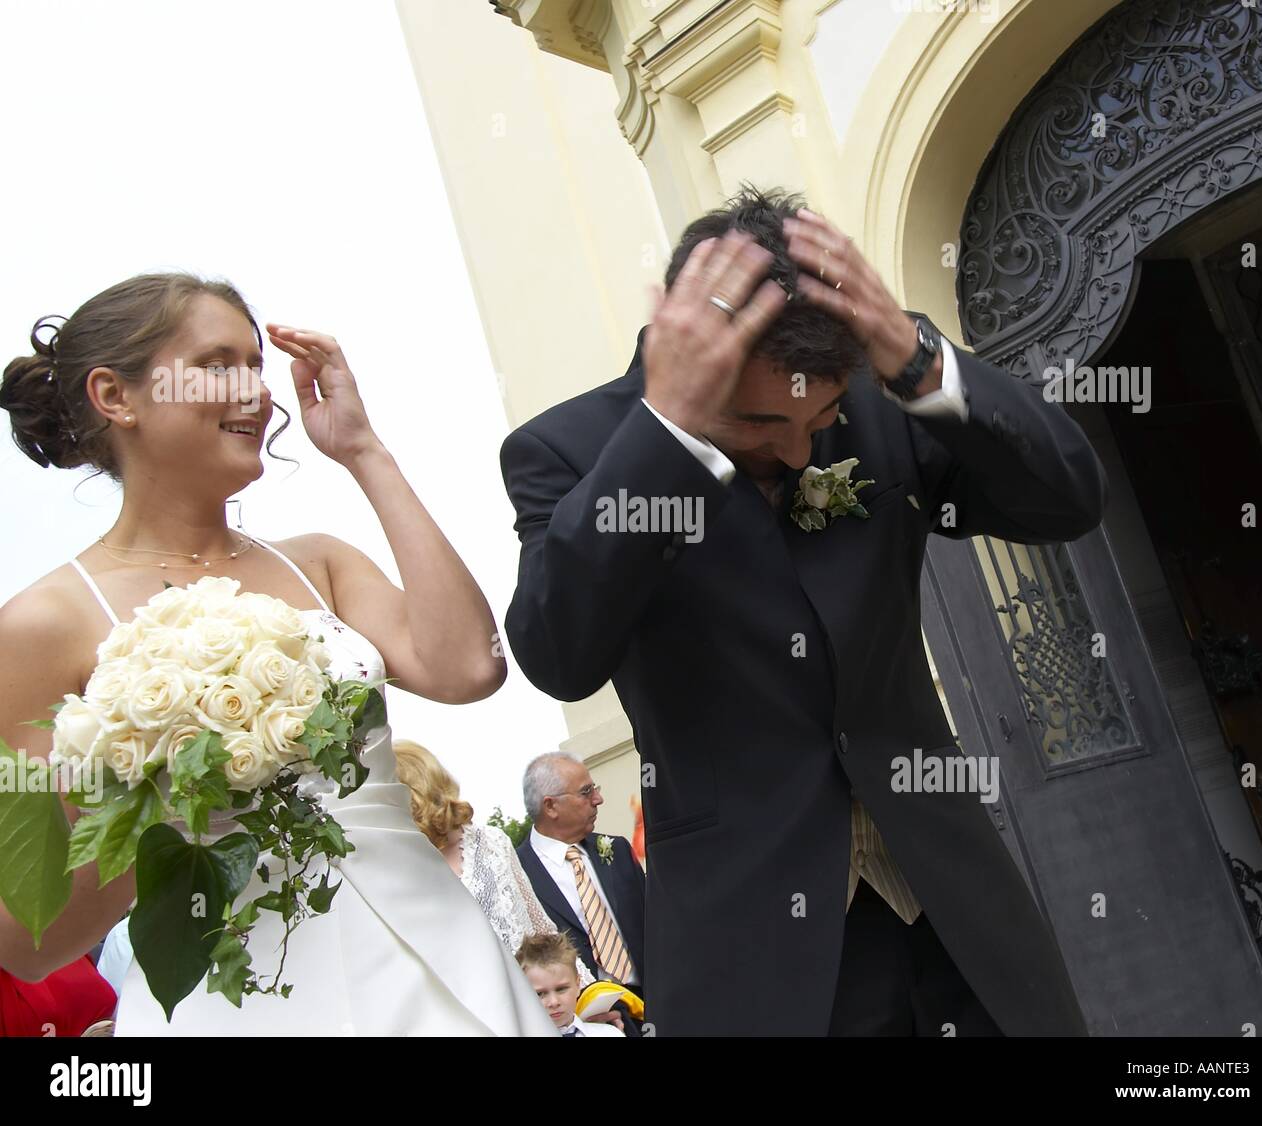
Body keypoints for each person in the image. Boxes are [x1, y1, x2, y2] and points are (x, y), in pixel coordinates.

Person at [499, 185, 1107, 1036]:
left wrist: (918, 355)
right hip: (751, 951)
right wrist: (666, 429)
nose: (793, 449)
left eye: (815, 420)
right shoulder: (571, 452)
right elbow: (557, 651)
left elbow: (1067, 500)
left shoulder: (877, 402)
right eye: (754, 422)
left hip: (957, 920)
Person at [0, 272, 555, 1036]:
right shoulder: (41, 623)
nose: (257, 392)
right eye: (219, 363)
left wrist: (364, 452)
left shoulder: (319, 563)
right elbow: (28, 939)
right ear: (115, 395)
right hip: (240, 1002)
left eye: (258, 365)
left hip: (440, 961)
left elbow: (470, 667)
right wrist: (171, 805)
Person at [390, 738, 599, 990]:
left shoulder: (491, 842)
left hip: (531, 1002)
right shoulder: (394, 869)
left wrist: (587, 992)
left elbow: (542, 930)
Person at [516, 752, 646, 1035]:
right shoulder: (517, 874)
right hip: (589, 1025)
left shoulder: (618, 851)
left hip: (656, 1005)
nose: (598, 799)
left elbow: (657, 923)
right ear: (550, 806)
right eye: (586, 792)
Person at [516, 933, 624, 1038]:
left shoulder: (609, 1034)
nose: (554, 1002)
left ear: (578, 984)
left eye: (561, 989)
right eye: (539, 994)